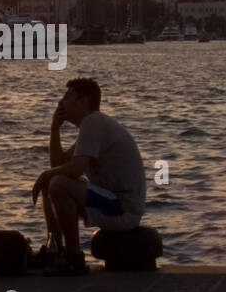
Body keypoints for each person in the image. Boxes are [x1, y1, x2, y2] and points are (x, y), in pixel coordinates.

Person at [31, 77, 145, 275]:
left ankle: (73, 256)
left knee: (57, 183)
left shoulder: (93, 122)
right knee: (54, 181)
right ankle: (55, 248)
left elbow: (73, 170)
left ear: (83, 101)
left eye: (67, 97)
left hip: (123, 208)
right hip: (111, 200)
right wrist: (54, 129)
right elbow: (59, 166)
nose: (61, 102)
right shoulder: (93, 126)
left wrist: (44, 175)